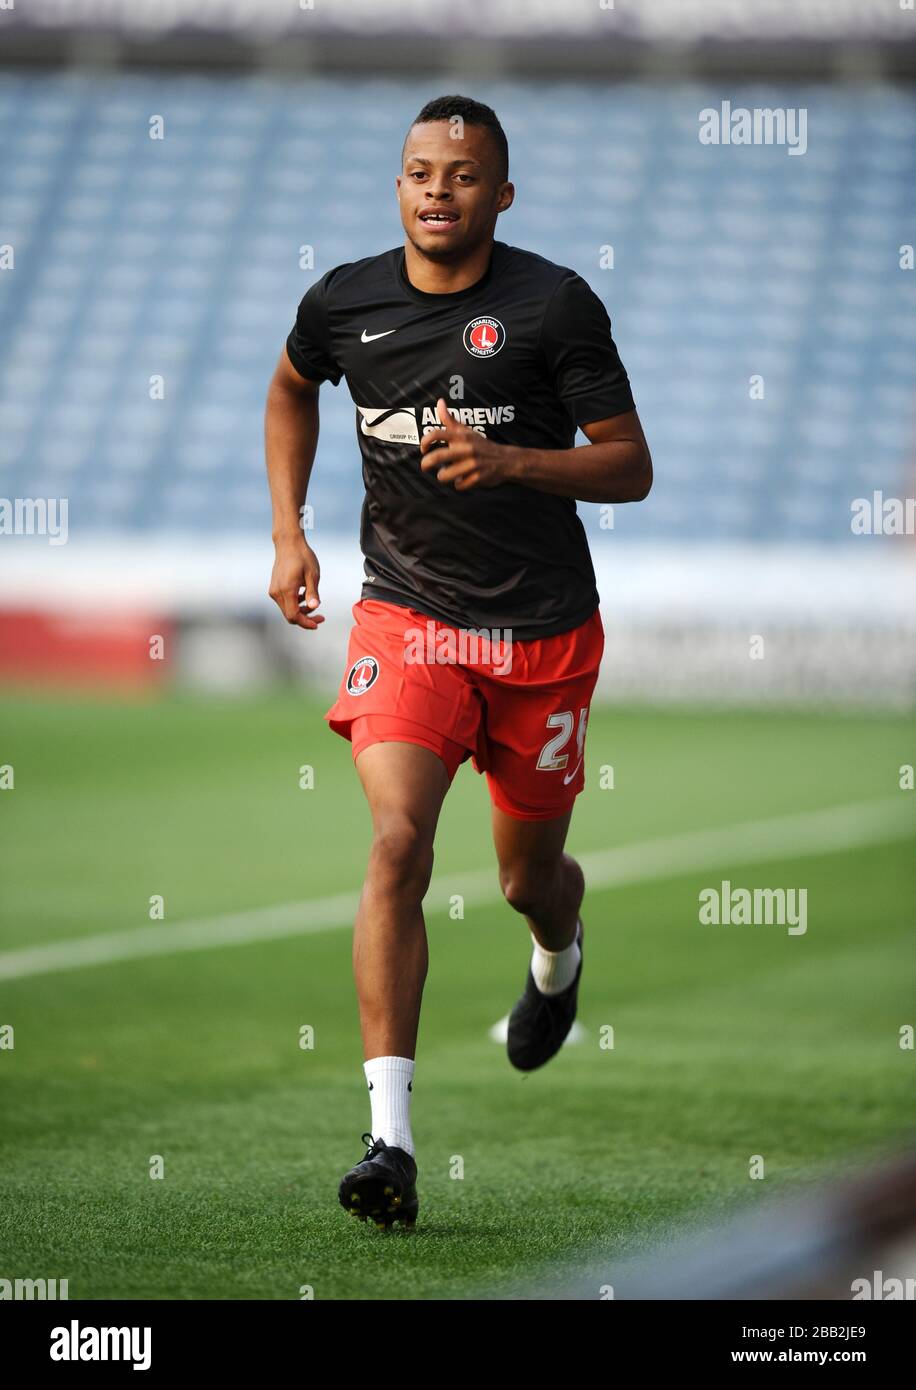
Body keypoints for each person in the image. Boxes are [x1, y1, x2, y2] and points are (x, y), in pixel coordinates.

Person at [264, 95, 652, 1231]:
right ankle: (390, 1141)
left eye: (465, 175)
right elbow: (291, 386)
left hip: (539, 634)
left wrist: (512, 462)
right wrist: (289, 530)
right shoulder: (343, 301)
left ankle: (558, 953)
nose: (439, 189)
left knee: (529, 877)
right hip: (408, 618)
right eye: (420, 171)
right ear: (399, 186)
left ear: (501, 194)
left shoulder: (553, 304)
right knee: (397, 843)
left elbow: (629, 466)